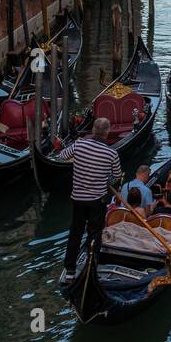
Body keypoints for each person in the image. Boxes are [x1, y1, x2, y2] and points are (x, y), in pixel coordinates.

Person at [54, 116, 122, 283]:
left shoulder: (79, 144)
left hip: (77, 199)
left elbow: (62, 156)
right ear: (107, 133)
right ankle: (93, 266)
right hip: (97, 201)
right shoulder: (111, 153)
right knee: (94, 235)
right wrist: (104, 178)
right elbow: (117, 176)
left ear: (92, 130)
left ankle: (70, 270)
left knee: (75, 233)